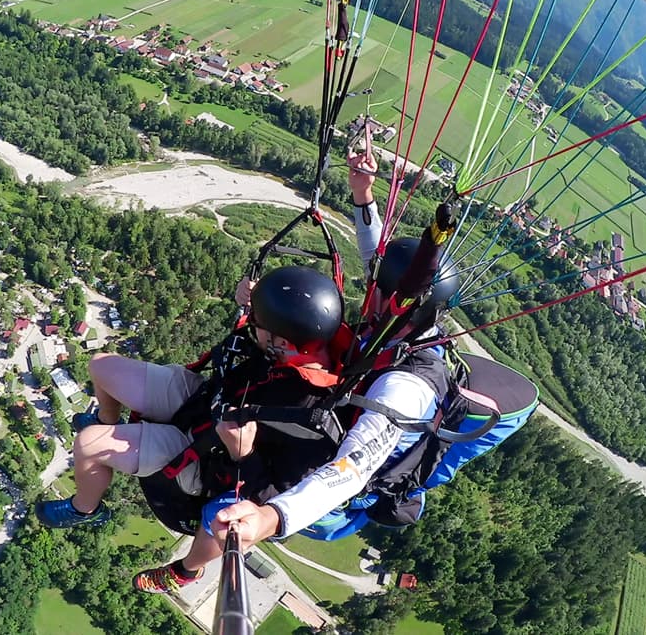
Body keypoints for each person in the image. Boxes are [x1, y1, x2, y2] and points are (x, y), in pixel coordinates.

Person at [203, 130, 534, 547]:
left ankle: (185, 569)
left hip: (339, 501)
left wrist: (272, 517)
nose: (369, 289)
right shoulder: (397, 321)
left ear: (397, 303)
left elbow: (352, 469)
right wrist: (363, 195)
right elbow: (374, 253)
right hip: (333, 423)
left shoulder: (406, 387)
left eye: (378, 287)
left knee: (216, 512)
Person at [35, 265, 347, 592]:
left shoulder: (312, 422)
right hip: (204, 400)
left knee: (88, 445)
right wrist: (251, 299)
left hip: (206, 455)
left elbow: (275, 501)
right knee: (102, 367)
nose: (253, 324)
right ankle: (107, 422)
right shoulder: (304, 338)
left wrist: (244, 452)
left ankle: (88, 511)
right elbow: (257, 339)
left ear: (281, 341)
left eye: (259, 322)